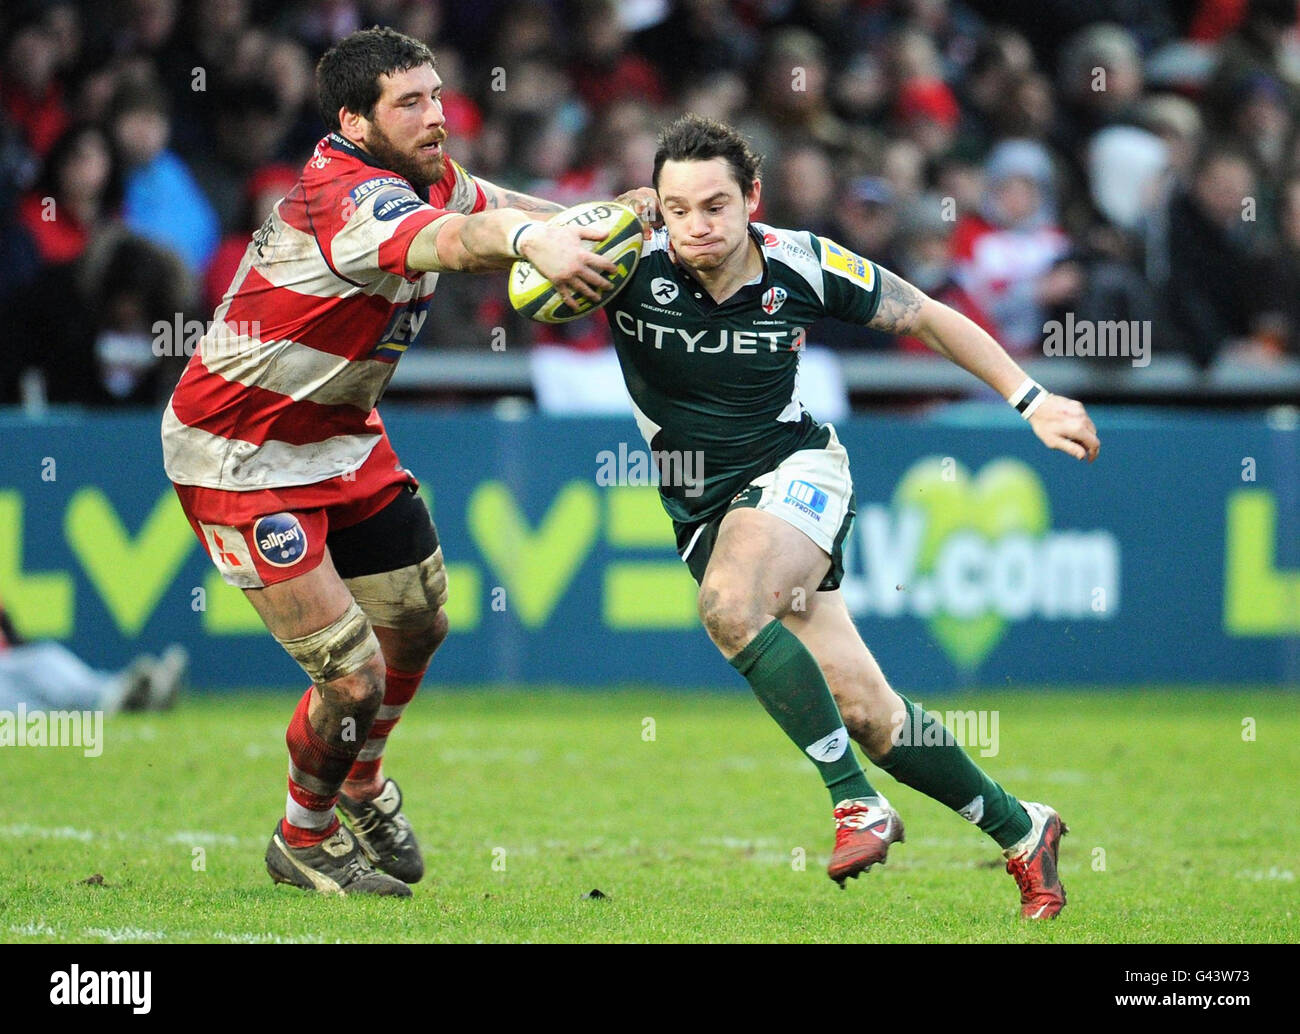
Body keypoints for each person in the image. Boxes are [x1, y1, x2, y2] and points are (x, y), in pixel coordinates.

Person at [161, 26, 647, 898]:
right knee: (351, 677)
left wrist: (605, 219)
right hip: (239, 451)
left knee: (419, 621)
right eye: (410, 103)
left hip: (339, 434)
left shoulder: (423, 173)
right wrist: (533, 247)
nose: (437, 118)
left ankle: (361, 781)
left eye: (436, 96)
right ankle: (302, 838)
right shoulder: (348, 198)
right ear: (354, 120)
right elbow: (455, 244)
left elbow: (484, 203)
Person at [603, 115, 1100, 919]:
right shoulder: (626, 261)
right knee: (869, 712)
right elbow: (517, 235)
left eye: (716, 205)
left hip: (797, 471)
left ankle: (853, 803)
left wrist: (1032, 399)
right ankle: (1022, 829)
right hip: (703, 509)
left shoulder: (801, 261)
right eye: (679, 207)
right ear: (657, 208)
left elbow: (928, 316)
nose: (698, 225)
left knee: (729, 605)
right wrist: (543, 237)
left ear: (751, 199)